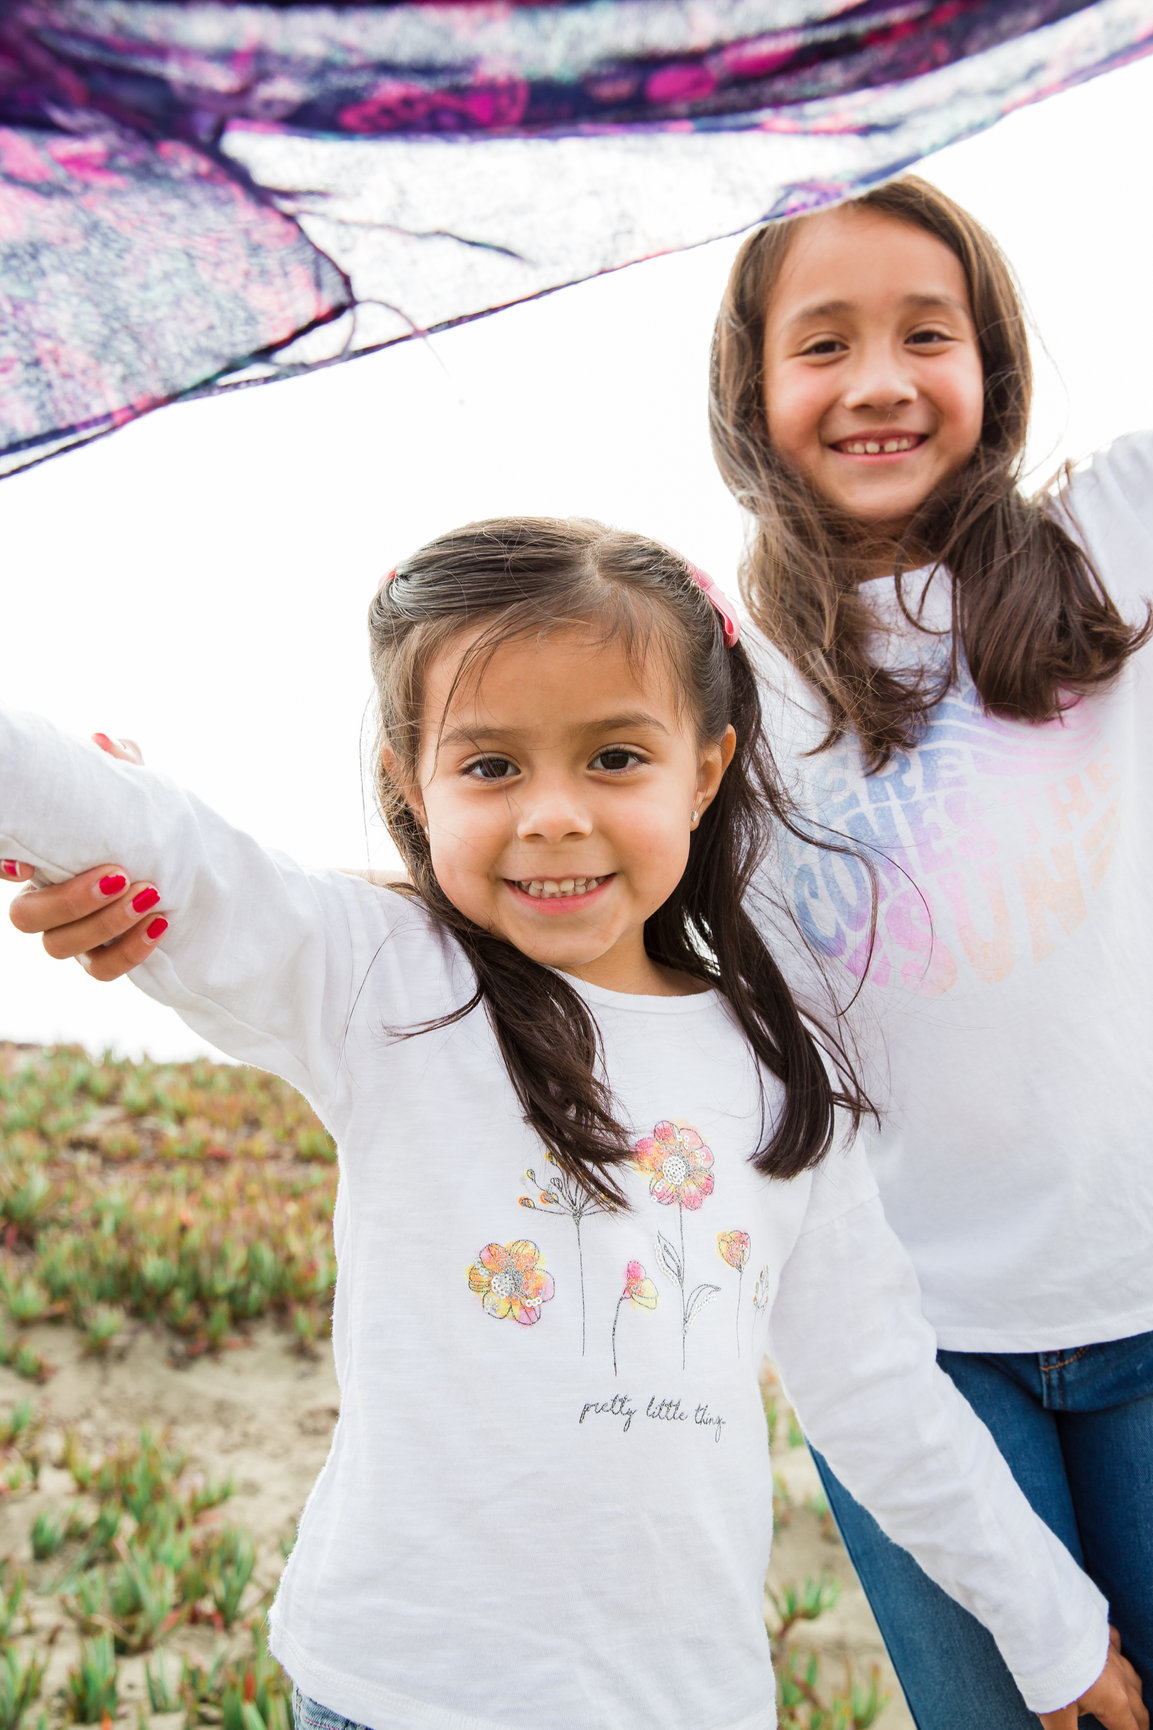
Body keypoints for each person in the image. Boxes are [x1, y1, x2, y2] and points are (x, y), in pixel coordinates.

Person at [0, 518, 1143, 1730]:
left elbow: (880, 1397)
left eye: (612, 756)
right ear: (408, 776)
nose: (551, 812)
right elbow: (176, 856)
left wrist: (1052, 1628)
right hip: (396, 1689)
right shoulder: (381, 980)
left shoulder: (781, 1074)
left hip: (684, 1700)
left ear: (703, 770)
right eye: (490, 766)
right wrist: (100, 808)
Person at [706, 176, 1153, 1725]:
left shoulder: (1102, 553)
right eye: (821, 342)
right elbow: (525, 848)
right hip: (916, 1359)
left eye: (926, 333)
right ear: (752, 394)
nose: (881, 379)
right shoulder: (714, 679)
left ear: (995, 366)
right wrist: (137, 861)